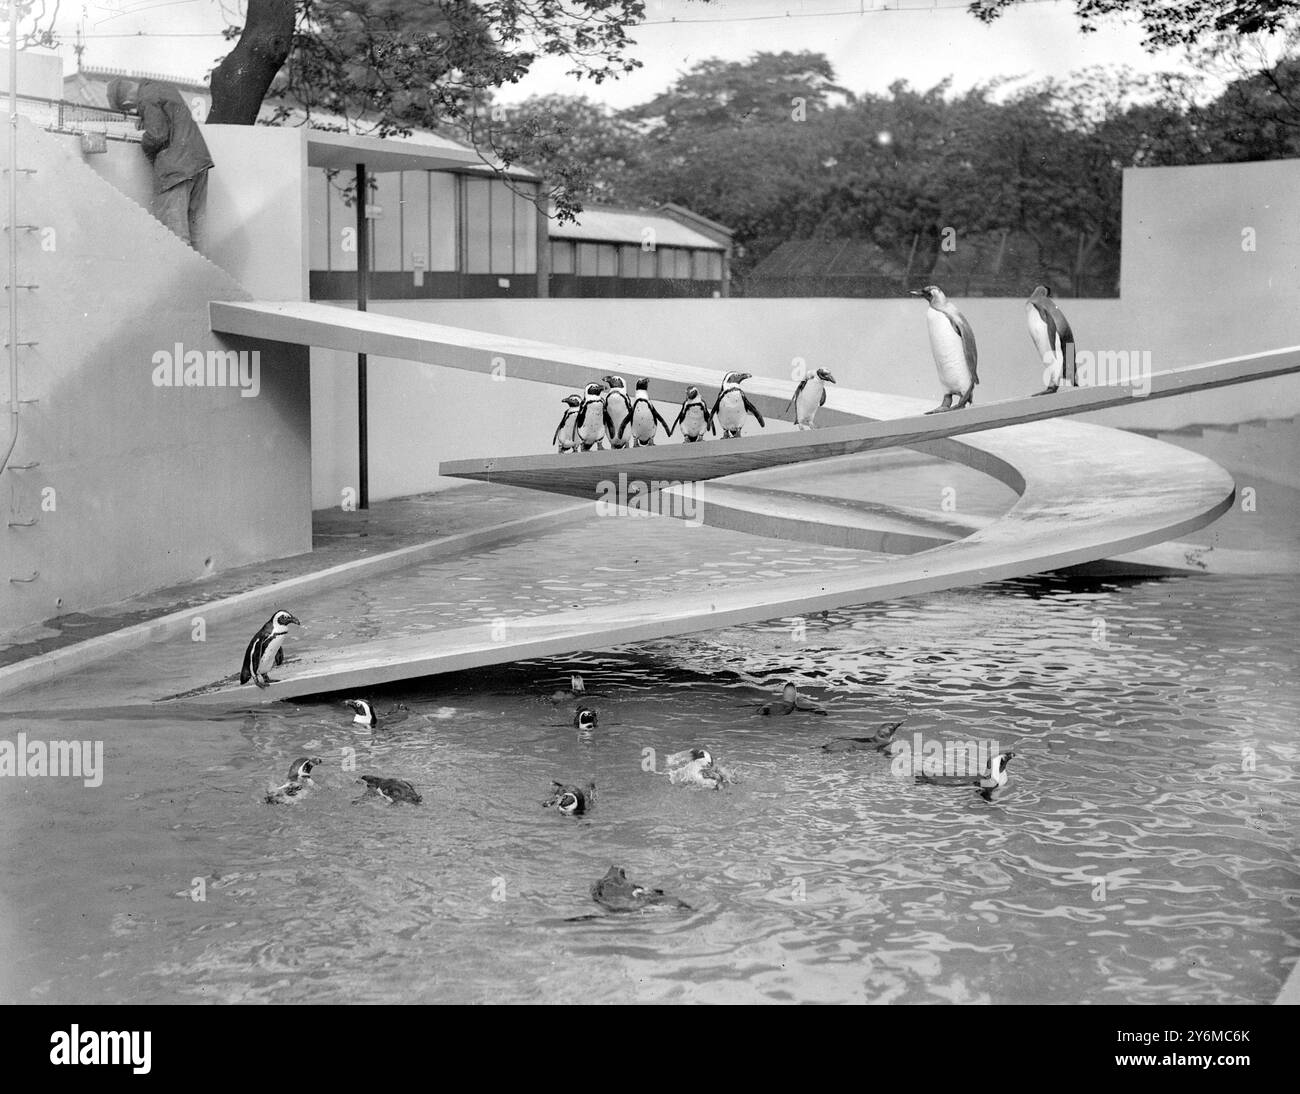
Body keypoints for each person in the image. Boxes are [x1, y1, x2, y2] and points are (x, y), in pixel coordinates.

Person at [106, 77, 214, 251]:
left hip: (175, 171)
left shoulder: (146, 98)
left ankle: (181, 278)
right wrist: (146, 116)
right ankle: (202, 278)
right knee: (197, 235)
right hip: (198, 162)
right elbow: (170, 122)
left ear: (126, 100)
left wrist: (144, 142)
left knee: (174, 236)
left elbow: (157, 135)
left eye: (129, 107)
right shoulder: (162, 88)